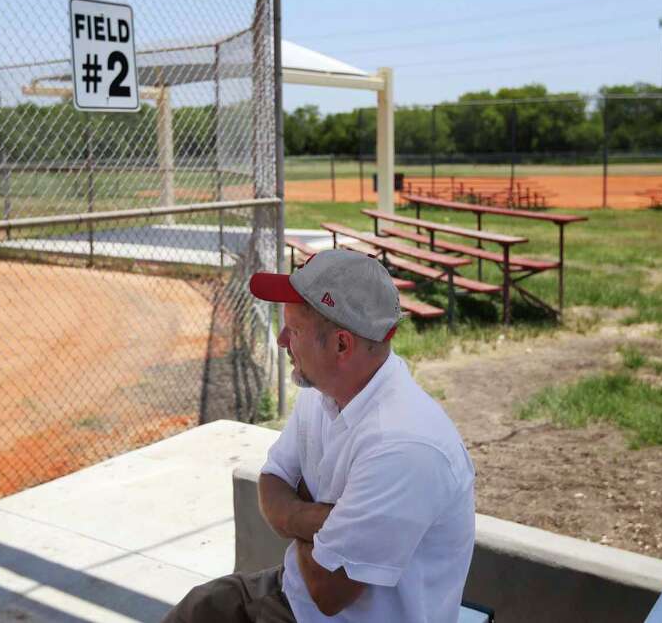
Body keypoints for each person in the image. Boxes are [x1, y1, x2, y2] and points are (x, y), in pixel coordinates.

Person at [162, 249, 475, 623]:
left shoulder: (404, 446)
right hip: (293, 594)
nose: (281, 340)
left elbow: (329, 592)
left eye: (293, 330)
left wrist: (294, 511)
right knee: (201, 606)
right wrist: (322, 520)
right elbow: (273, 480)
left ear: (342, 345)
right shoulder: (323, 392)